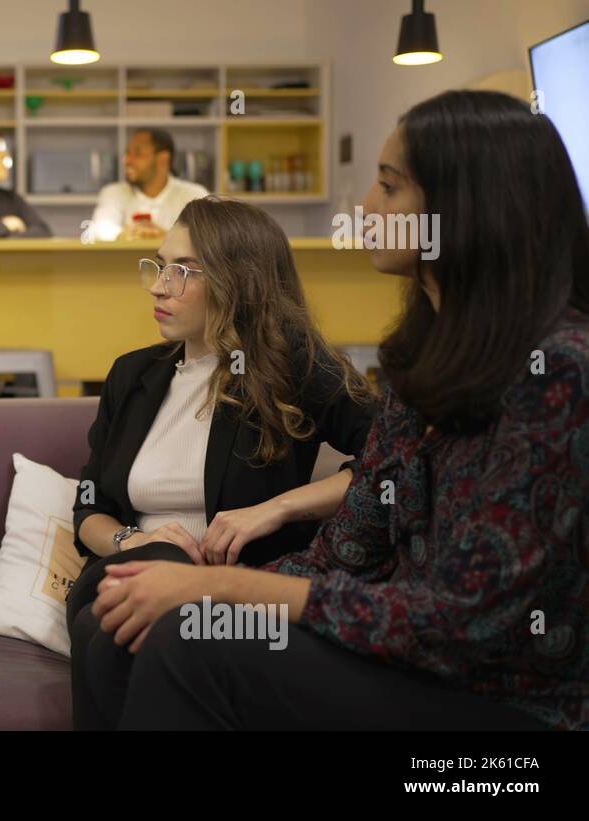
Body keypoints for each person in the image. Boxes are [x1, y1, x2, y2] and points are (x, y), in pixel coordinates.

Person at [92, 90, 589, 731]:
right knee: (154, 625)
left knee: (190, 645)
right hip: (407, 665)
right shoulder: (424, 367)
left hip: (506, 710)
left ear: (466, 208)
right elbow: (345, 552)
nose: (365, 208)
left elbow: (469, 620)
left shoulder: (559, 371)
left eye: (388, 186)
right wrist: (189, 581)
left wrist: (223, 589)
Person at [67, 196, 377, 730]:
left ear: (241, 281)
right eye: (160, 266)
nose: (159, 286)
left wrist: (276, 509)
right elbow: (90, 504)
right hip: (123, 572)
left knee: (112, 635)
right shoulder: (131, 375)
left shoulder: (292, 367)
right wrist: (129, 542)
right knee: (130, 594)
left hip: (236, 589)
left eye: (183, 271)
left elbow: (391, 464)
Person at [89, 128, 209, 242]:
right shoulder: (113, 192)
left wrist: (167, 237)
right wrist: (123, 235)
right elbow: (100, 230)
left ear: (163, 159)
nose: (126, 161)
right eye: (127, 153)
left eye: (138, 154)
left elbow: (208, 237)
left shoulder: (194, 195)